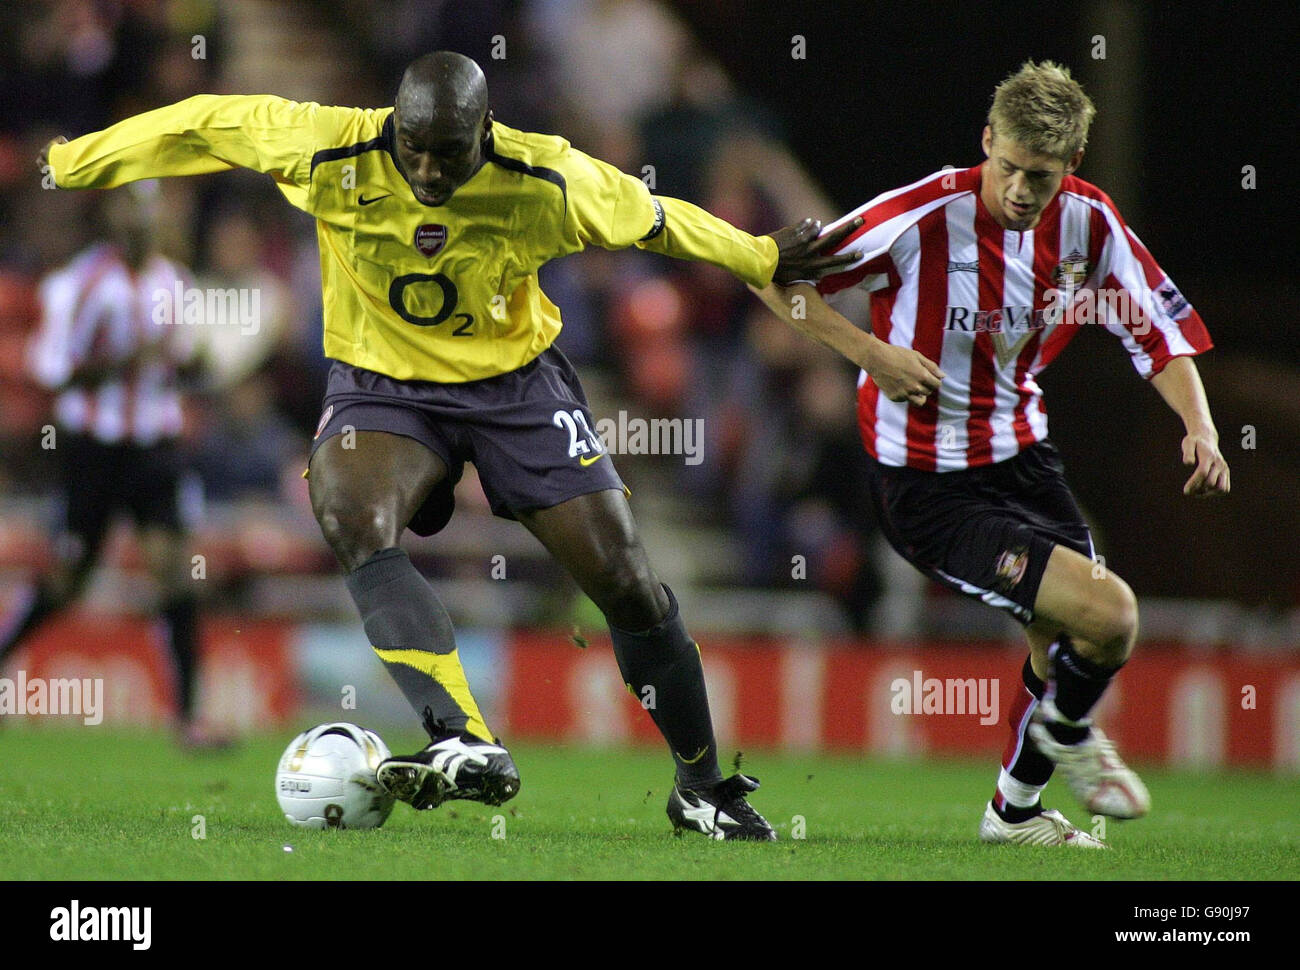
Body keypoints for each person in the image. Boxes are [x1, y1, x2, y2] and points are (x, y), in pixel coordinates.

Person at [40, 50, 857, 840]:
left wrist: (757, 253)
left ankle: (702, 787)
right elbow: (204, 125)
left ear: (486, 131)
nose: (428, 172)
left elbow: (658, 222)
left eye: (449, 154)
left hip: (515, 388)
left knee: (628, 580)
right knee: (350, 511)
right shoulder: (330, 147)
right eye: (415, 149)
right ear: (394, 124)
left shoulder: (546, 177)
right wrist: (81, 160)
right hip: (383, 387)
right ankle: (460, 733)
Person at [751, 60, 1229, 847]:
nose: (1017, 189)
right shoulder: (920, 216)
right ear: (986, 142)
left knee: (1068, 641)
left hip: (1023, 458)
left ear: (1070, 167)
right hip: (928, 485)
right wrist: (870, 353)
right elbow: (777, 281)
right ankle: (1069, 737)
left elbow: (1160, 334)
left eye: (1038, 176)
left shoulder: (1091, 223)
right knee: (1111, 615)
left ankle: (1011, 816)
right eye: (1005, 166)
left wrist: (1202, 428)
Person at [3, 184, 218, 748]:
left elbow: (190, 361)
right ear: (113, 219)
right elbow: (52, 371)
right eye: (131, 210)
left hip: (155, 443)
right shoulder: (82, 282)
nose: (142, 222)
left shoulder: (175, 281)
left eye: (150, 210)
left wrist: (194, 361)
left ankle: (187, 719)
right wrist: (125, 360)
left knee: (173, 570)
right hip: (94, 445)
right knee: (71, 574)